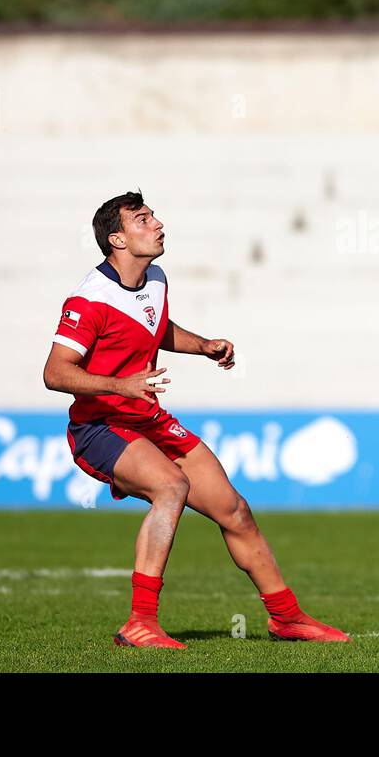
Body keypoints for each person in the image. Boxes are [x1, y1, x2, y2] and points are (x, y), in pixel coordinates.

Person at [43, 191, 348, 648]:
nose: (157, 224)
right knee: (171, 486)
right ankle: (139, 622)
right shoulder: (89, 299)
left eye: (153, 216)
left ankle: (286, 618)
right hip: (100, 425)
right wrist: (120, 385)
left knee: (235, 510)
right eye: (143, 219)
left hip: (146, 417)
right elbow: (55, 372)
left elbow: (155, 327)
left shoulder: (155, 277)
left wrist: (202, 345)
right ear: (117, 239)